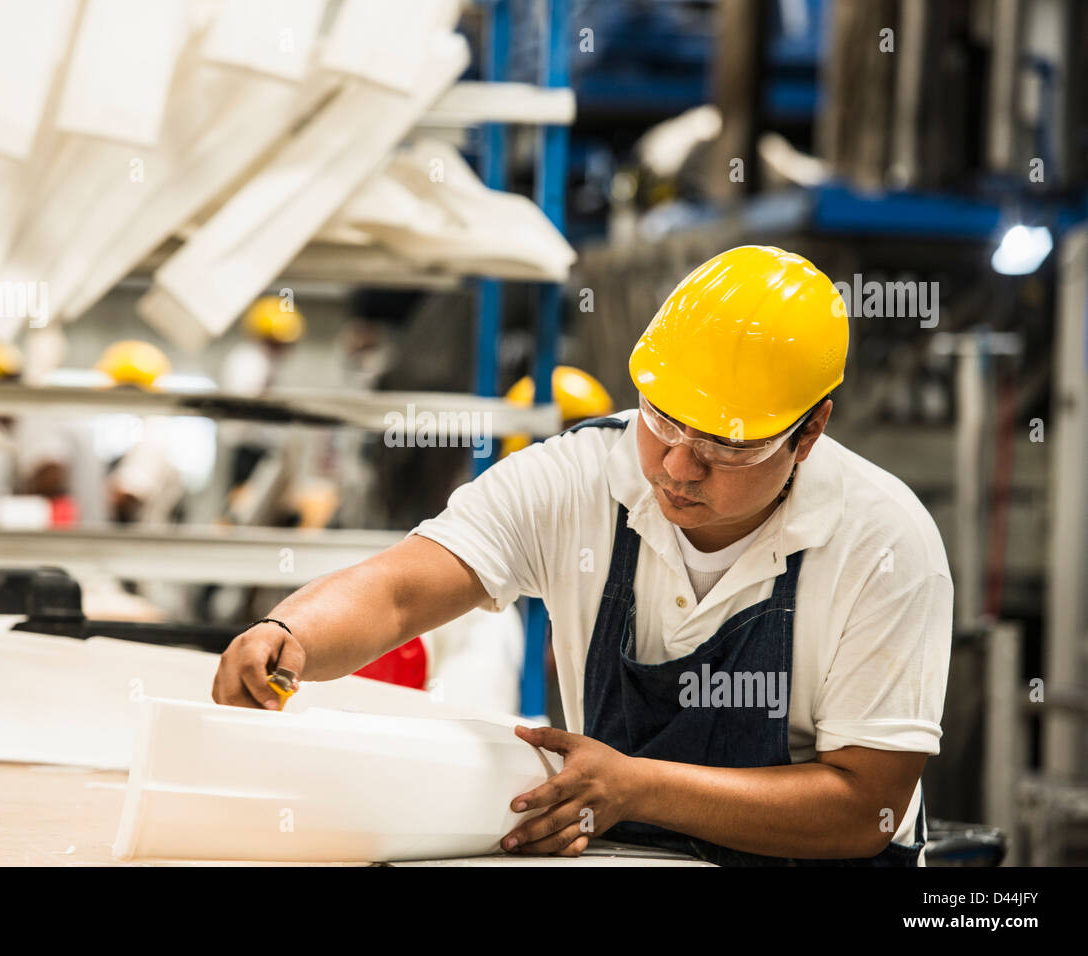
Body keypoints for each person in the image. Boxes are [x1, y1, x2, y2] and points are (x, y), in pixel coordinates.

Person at [209, 246, 952, 865]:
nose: (678, 468)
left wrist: (639, 788)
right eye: (663, 421)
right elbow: (404, 589)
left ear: (811, 428)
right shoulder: (579, 477)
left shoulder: (883, 543)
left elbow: (867, 805)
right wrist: (291, 633)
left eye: (729, 445)